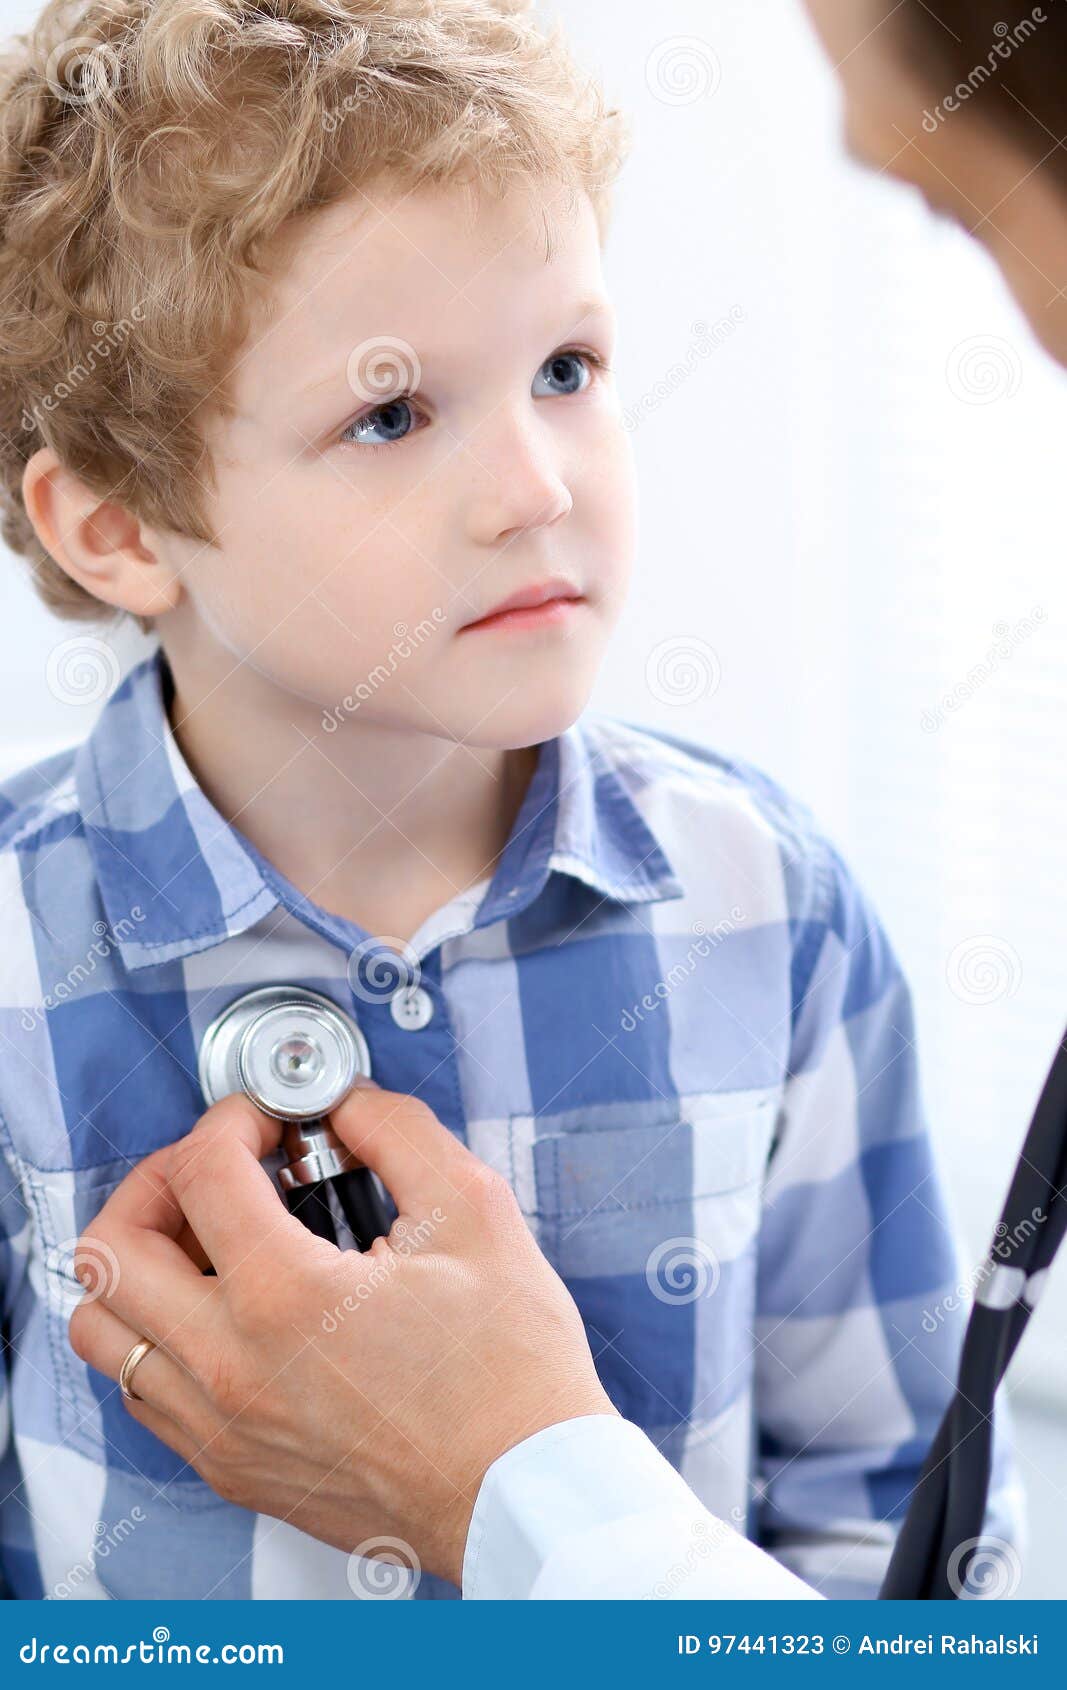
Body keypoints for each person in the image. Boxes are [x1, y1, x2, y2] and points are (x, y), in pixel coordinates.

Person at [0, 0, 1021, 1602]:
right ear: (119, 527)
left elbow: (893, 1524)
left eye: (568, 366)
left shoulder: (772, 903)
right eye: (394, 412)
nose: (541, 486)